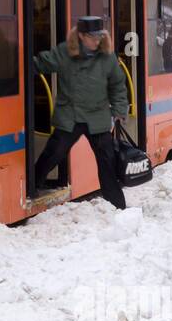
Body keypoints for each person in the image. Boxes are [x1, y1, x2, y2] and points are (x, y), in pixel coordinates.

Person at [32, 15, 129, 210]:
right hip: (70, 116)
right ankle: (32, 185)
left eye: (100, 36)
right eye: (93, 37)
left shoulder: (107, 57)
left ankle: (117, 206)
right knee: (53, 153)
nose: (97, 41)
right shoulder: (65, 52)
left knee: (107, 162)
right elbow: (41, 64)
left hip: (98, 117)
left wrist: (119, 109)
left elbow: (117, 85)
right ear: (82, 36)